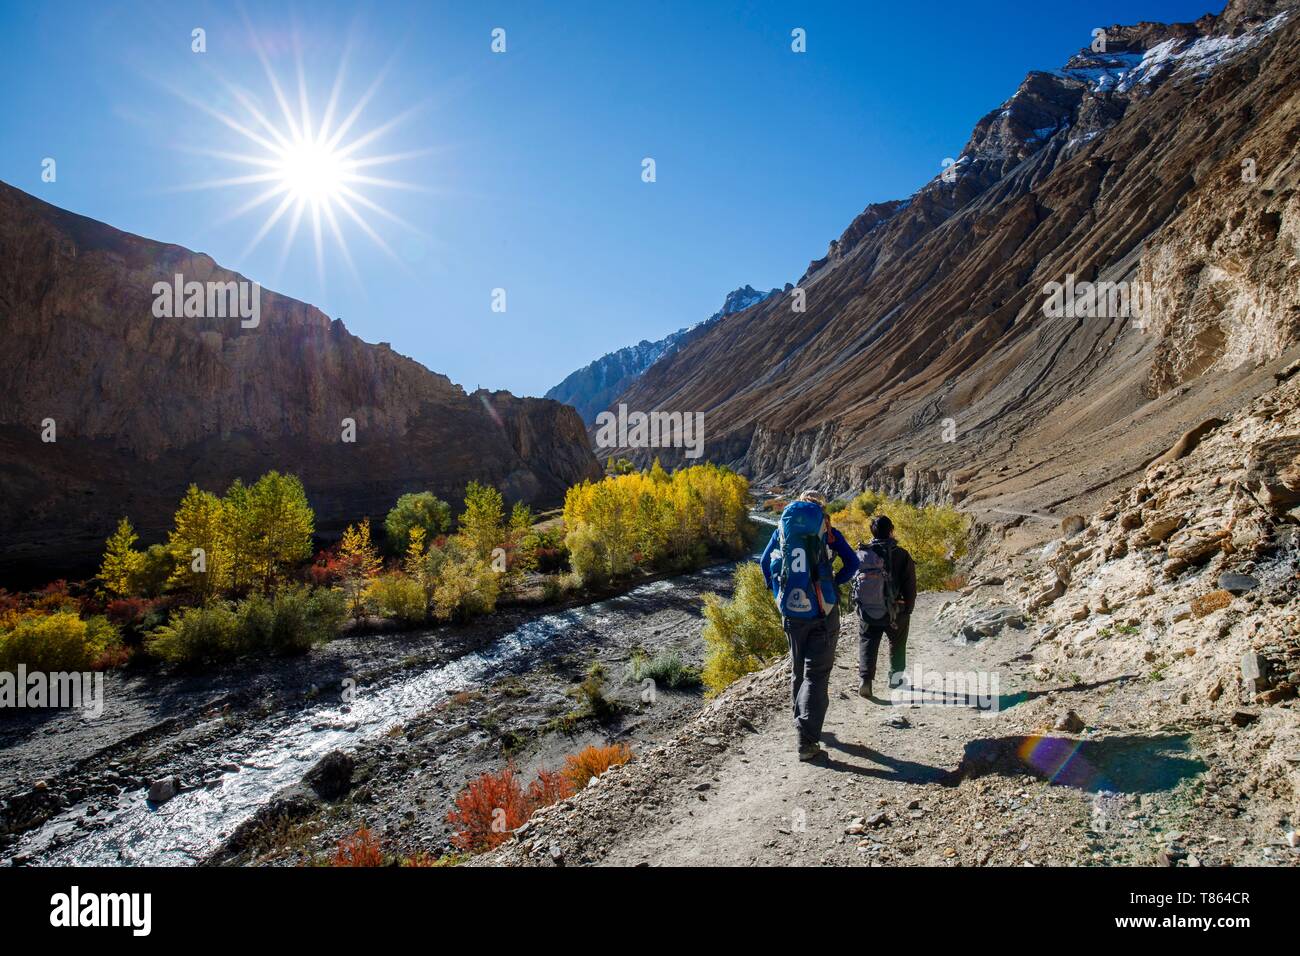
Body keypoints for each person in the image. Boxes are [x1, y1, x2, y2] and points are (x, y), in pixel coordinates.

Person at [760, 491, 859, 762]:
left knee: (797, 670)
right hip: (822, 610)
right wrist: (833, 583)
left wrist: (777, 594)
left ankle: (800, 722)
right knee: (816, 673)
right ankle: (806, 740)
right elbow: (853, 563)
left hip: (791, 612)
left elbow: (764, 564)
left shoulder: (782, 528)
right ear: (821, 510)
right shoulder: (828, 531)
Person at [852, 513, 917, 699]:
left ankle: (865, 681)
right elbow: (910, 585)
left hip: (868, 609)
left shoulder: (863, 554)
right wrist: (908, 608)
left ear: (872, 531)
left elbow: (854, 581)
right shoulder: (901, 554)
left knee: (867, 642)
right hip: (895, 610)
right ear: (891, 531)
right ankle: (895, 679)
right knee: (897, 643)